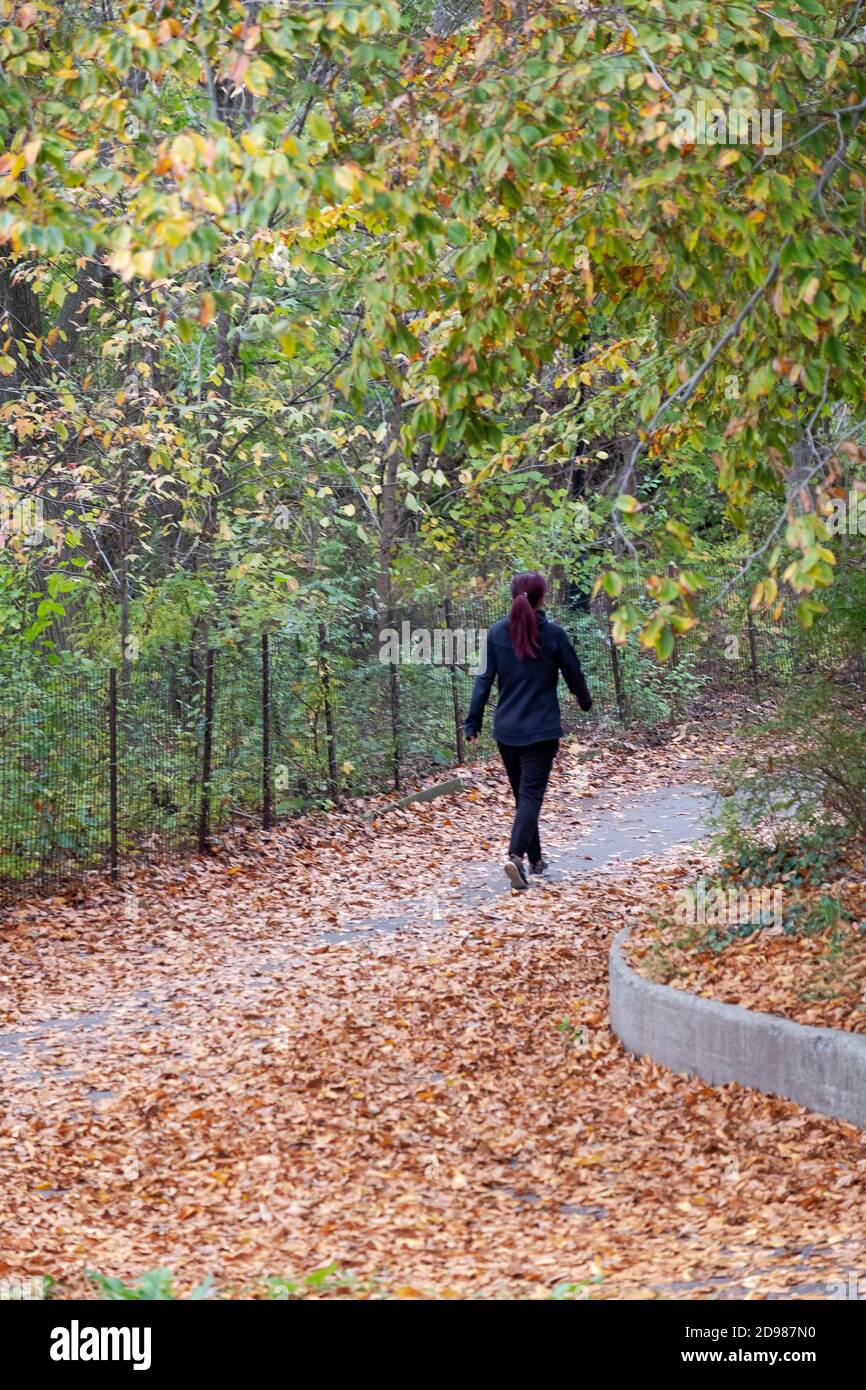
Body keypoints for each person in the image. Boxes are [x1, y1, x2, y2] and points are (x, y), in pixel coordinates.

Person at [464, 571, 592, 890]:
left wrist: (473, 721)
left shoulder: (496, 634)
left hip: (506, 730)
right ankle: (516, 856)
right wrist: (585, 701)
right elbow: (574, 674)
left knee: (524, 797)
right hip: (541, 730)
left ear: (512, 597)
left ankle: (535, 860)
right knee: (531, 795)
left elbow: (483, 679)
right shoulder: (554, 635)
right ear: (542, 598)